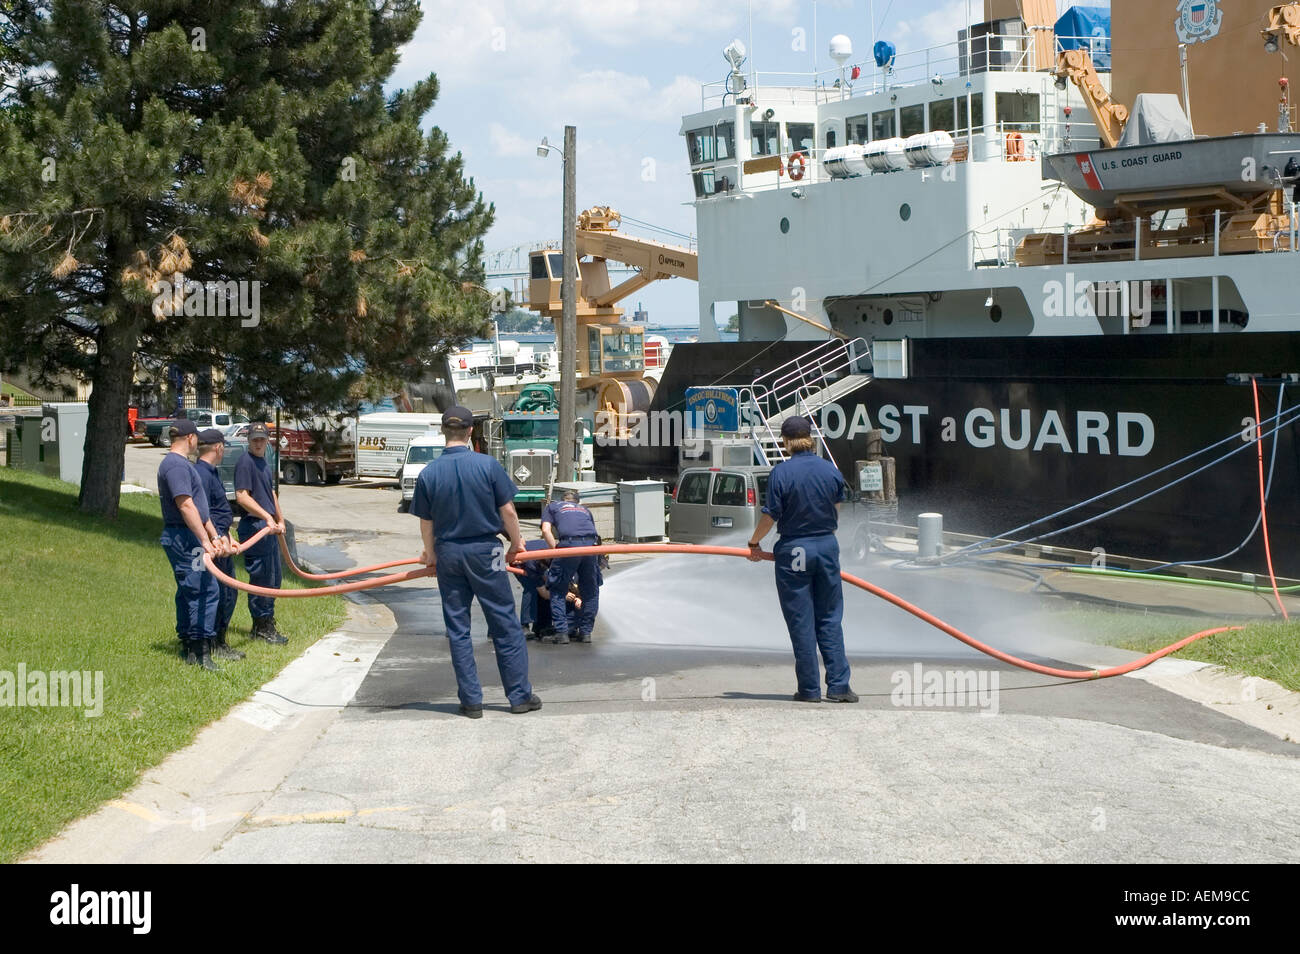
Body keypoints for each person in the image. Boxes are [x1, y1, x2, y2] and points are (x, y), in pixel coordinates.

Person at [411, 405, 540, 718]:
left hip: (449, 554)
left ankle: (471, 701)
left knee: (458, 627)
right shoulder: (487, 465)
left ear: (444, 431)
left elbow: (425, 522)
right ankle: (519, 697)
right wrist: (516, 542)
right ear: (470, 431)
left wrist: (430, 554)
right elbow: (508, 511)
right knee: (504, 623)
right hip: (488, 552)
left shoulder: (428, 473)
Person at [747, 416, 859, 704]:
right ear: (810, 438)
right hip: (826, 547)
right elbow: (837, 507)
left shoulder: (781, 474)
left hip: (794, 551)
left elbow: (770, 515)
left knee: (802, 621)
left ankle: (809, 690)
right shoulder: (830, 470)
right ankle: (839, 686)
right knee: (830, 618)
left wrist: (754, 542)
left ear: (785, 442)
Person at [156, 419, 228, 671]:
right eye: (196, 437)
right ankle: (199, 650)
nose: (198, 441)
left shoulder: (182, 465)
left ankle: (190, 644)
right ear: (189, 438)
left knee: (193, 589)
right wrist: (204, 541)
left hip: (191, 535)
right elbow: (186, 505)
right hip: (184, 538)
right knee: (204, 590)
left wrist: (215, 536)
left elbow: (200, 509)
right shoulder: (175, 466)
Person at [234, 422, 287, 645]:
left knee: (274, 579)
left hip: (268, 528)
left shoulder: (264, 462)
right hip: (255, 527)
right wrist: (266, 517)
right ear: (248, 440)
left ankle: (267, 621)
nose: (258, 443)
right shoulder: (245, 463)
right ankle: (261, 626)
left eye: (261, 439)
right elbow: (242, 496)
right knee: (262, 579)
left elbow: (270, 492)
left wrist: (279, 518)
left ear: (267, 441)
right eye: (254, 439)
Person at [195, 428, 243, 660]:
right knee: (220, 594)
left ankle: (218, 640)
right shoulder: (202, 474)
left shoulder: (210, 472)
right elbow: (202, 512)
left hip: (222, 540)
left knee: (228, 592)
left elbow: (217, 508)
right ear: (218, 447)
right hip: (214, 547)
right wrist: (216, 537)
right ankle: (214, 643)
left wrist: (228, 534)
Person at [538, 489, 600, 644]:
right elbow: (594, 533)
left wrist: (554, 552)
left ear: (562, 499)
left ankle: (562, 633)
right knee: (590, 589)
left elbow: (546, 530)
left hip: (569, 545)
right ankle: (586, 633)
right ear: (577, 501)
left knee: (558, 587)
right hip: (592, 546)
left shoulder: (552, 507)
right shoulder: (585, 509)